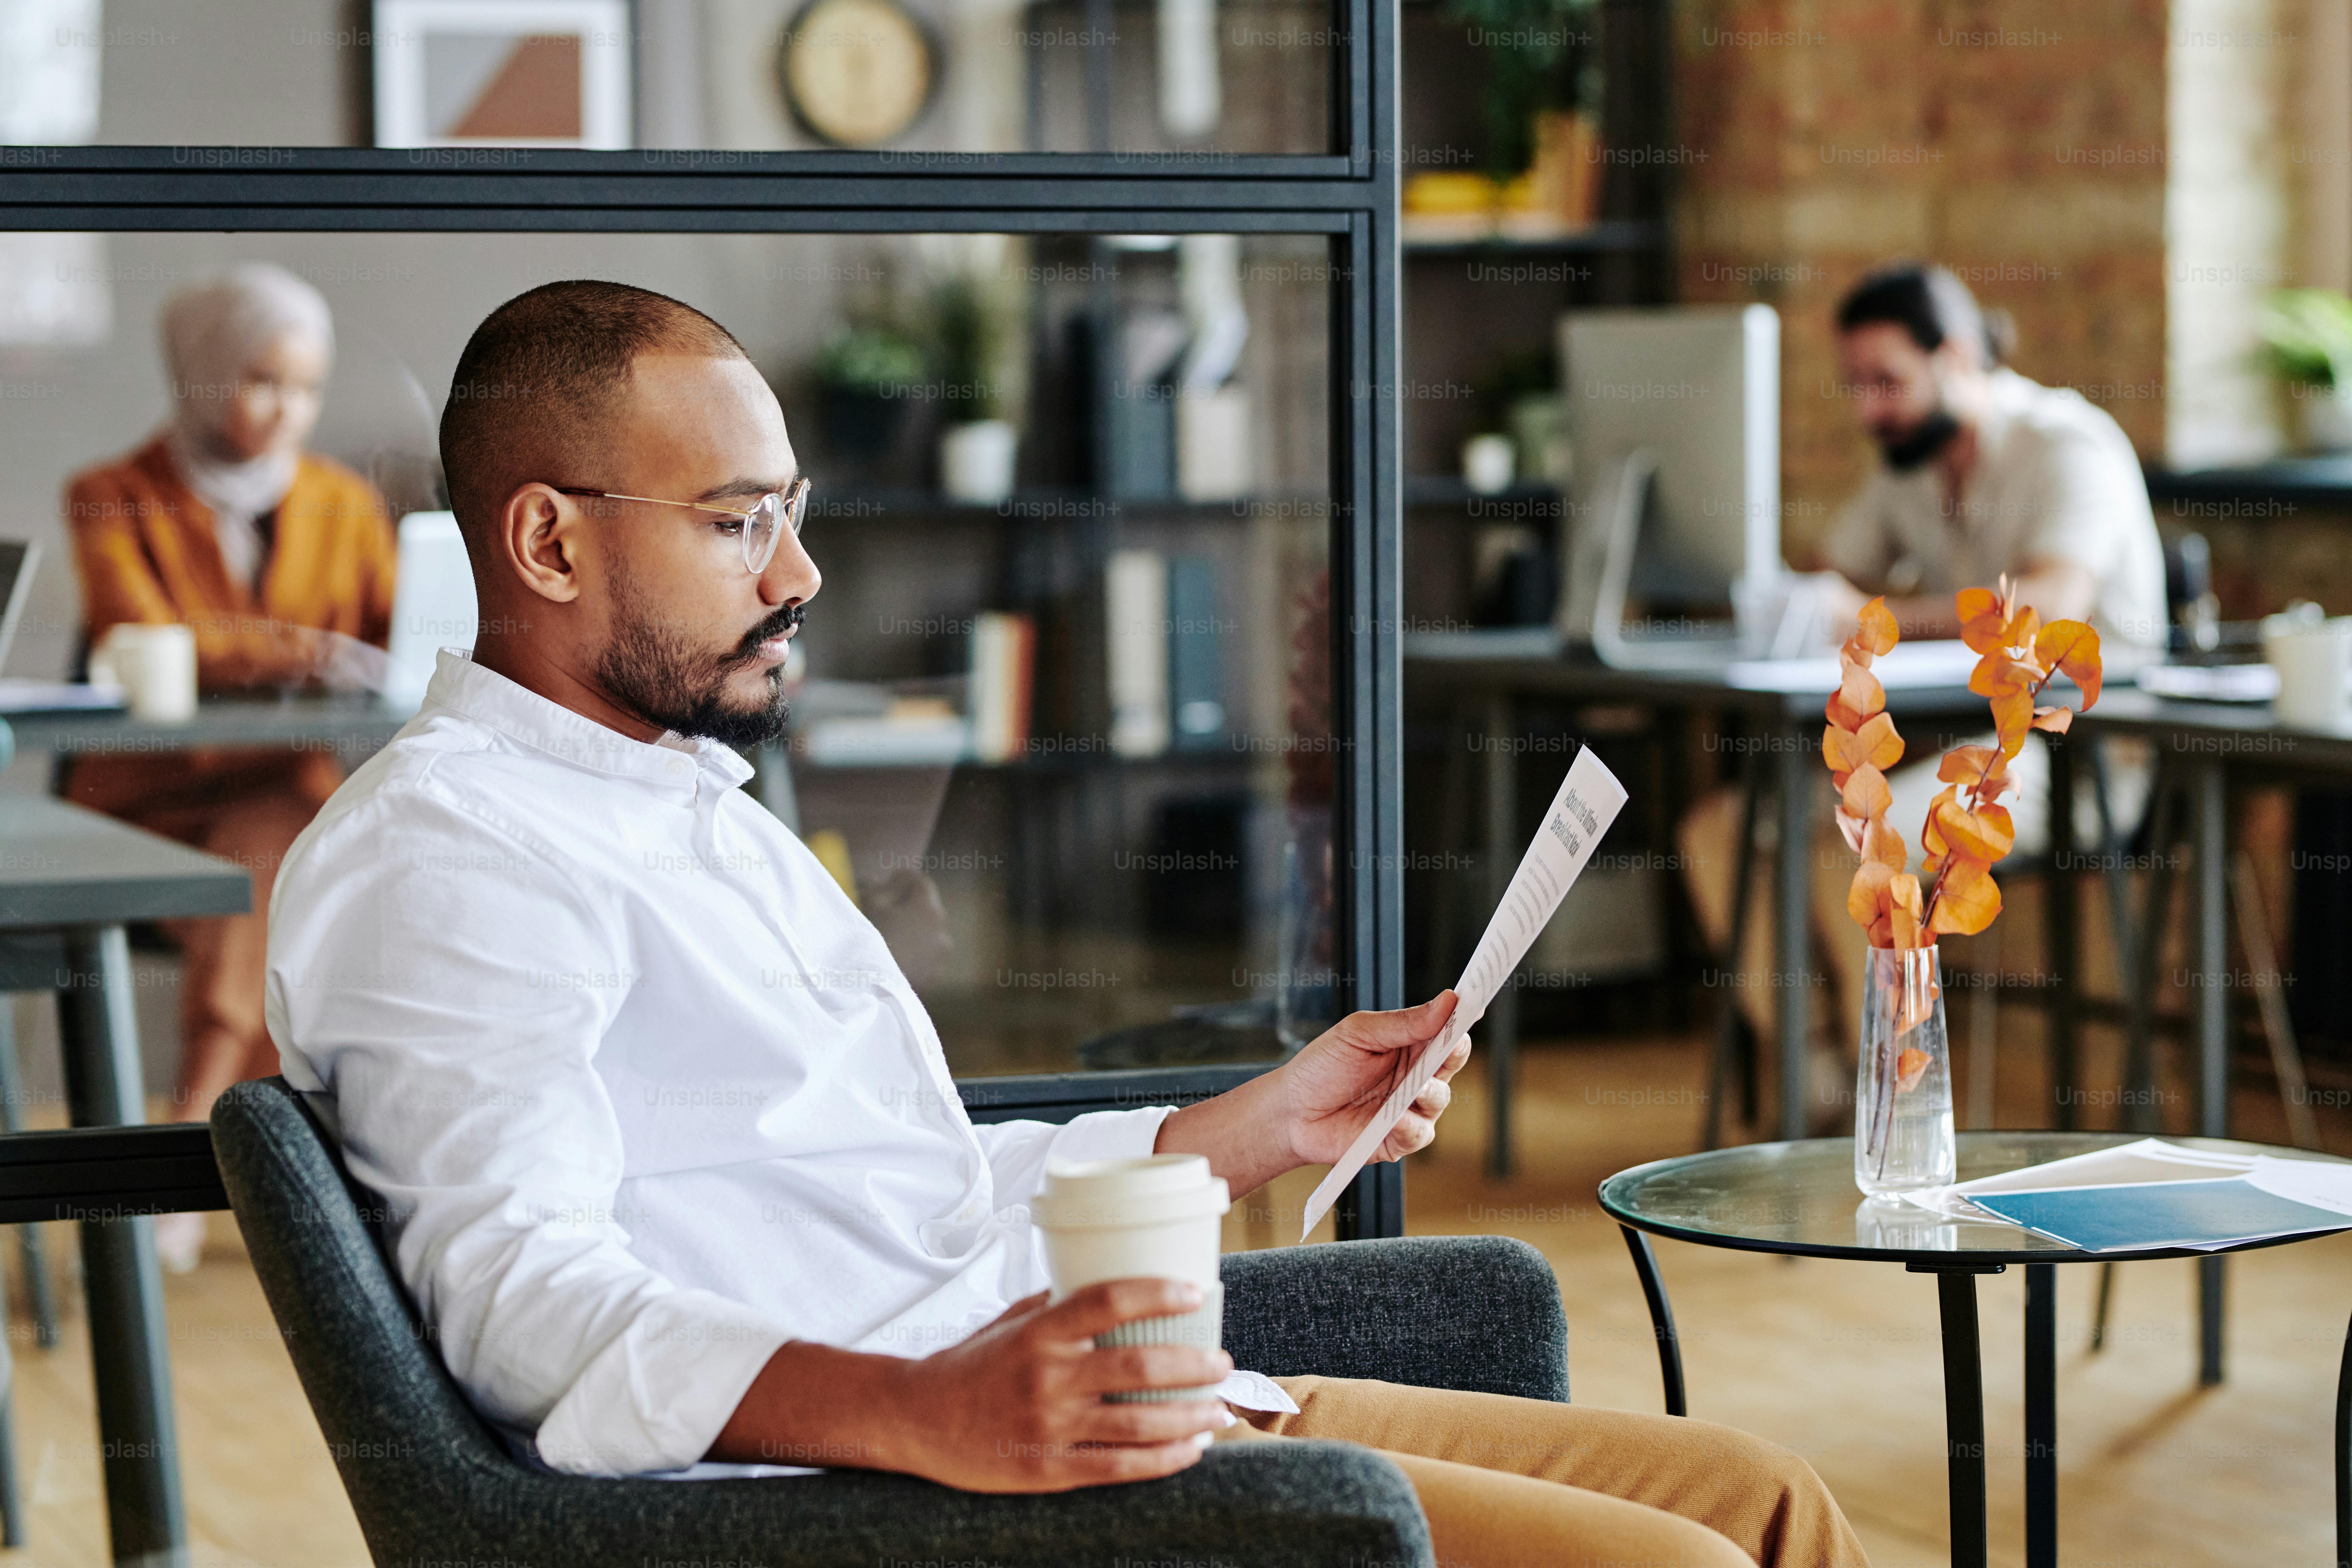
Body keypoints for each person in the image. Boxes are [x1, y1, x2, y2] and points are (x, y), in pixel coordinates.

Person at [265, 281, 1870, 1568]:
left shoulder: (676, 793)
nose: (802, 570)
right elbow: (524, 1307)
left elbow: (912, 1203)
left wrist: (1241, 1132)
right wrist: (928, 1414)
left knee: (1766, 1501)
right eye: (740, 519)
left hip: (1134, 1405)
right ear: (548, 539)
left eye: (793, 509)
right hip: (946, 1496)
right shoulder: (446, 866)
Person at [1681, 263, 2164, 1116]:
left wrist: (1879, 615)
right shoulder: (1910, 463)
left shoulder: (2068, 445)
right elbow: (1833, 578)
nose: (1870, 408)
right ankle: (1822, 1084)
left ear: (1960, 355)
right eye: (1857, 386)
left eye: (1887, 382)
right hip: (1955, 748)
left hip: (2077, 757)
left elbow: (2050, 605)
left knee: (1859, 840)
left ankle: (1900, 1093)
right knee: (1722, 831)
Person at [64, 262, 396, 1270]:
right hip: (148, 801)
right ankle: (218, 1138)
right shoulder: (112, 498)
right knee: (272, 871)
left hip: (284, 797)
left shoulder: (345, 505)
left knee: (283, 855)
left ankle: (196, 1134)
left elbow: (413, 632)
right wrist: (295, 650)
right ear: (203, 375)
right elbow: (143, 633)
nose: (286, 410)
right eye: (260, 380)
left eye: (305, 387)